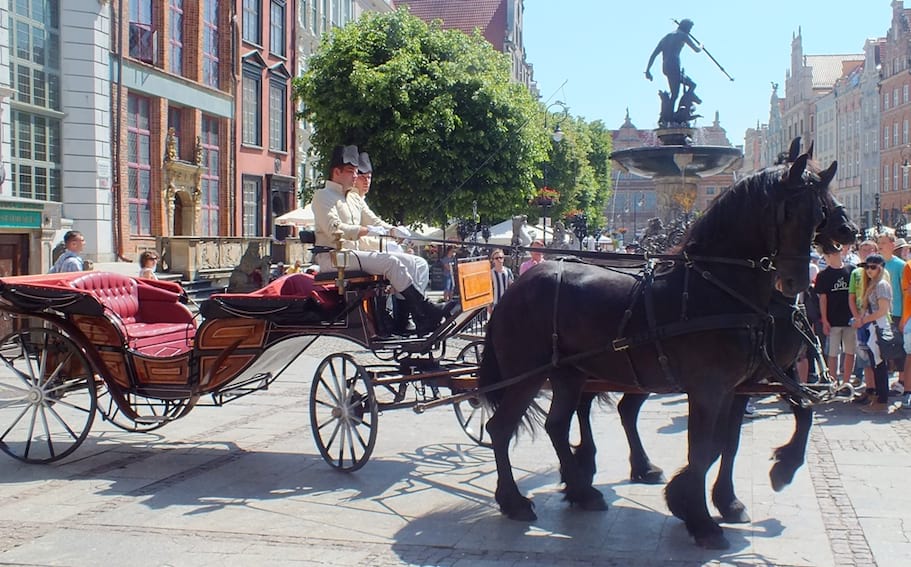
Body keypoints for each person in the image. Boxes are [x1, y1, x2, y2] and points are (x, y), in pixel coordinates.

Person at [311, 144, 449, 336]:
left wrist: (393, 230)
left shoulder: (353, 198)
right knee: (391, 262)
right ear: (336, 172)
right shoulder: (323, 196)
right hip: (334, 258)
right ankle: (425, 311)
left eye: (356, 172)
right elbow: (334, 228)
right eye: (350, 172)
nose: (354, 176)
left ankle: (406, 321)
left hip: (353, 256)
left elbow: (375, 221)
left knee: (410, 262)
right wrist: (365, 230)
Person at [853, 254, 896, 413]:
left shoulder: (882, 285)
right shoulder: (872, 284)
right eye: (867, 267)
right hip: (871, 327)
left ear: (881, 268)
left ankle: (882, 400)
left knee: (879, 365)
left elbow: (882, 311)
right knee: (874, 363)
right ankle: (878, 398)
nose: (869, 270)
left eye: (873, 267)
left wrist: (864, 320)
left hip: (878, 327)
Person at [644, 19, 702, 118]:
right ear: (686, 27)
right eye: (690, 28)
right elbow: (696, 50)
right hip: (674, 65)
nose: (690, 30)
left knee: (691, 85)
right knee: (675, 93)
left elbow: (653, 55)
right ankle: (669, 117)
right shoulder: (683, 36)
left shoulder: (665, 38)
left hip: (666, 67)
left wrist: (648, 70)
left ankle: (678, 109)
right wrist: (701, 46)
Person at [815, 248, 856, 387]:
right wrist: (825, 320)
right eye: (829, 253)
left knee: (850, 351)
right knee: (833, 353)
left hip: (850, 319)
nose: (833, 255)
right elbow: (823, 299)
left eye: (836, 252)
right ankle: (833, 383)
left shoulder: (852, 270)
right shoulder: (823, 275)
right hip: (833, 320)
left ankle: (846, 382)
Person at [849, 240, 878, 403]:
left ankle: (879, 390)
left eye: (869, 250)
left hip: (875, 318)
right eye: (863, 250)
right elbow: (851, 297)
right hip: (860, 318)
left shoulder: (881, 270)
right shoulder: (856, 273)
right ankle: (869, 388)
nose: (866, 253)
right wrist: (857, 317)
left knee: (878, 357)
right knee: (864, 356)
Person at [489, 249, 514, 314]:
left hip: (506, 303)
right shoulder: (491, 273)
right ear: (493, 260)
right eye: (497, 258)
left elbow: (511, 286)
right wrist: (489, 306)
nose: (499, 260)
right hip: (495, 304)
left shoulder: (508, 271)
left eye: (501, 257)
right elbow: (489, 290)